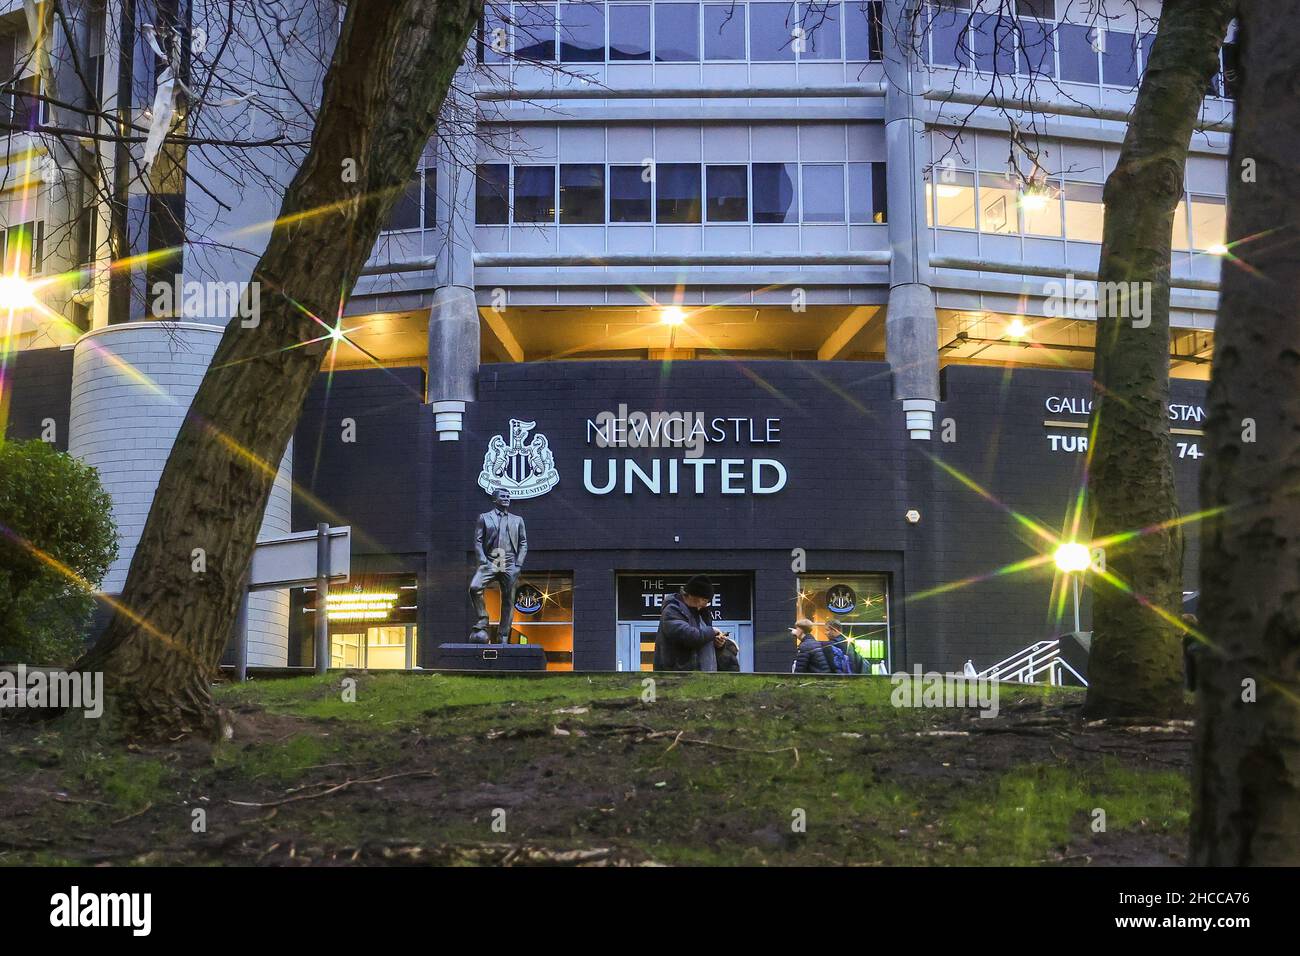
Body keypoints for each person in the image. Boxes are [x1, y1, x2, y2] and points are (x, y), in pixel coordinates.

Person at [468, 487, 528, 644]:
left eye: (508, 496)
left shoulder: (517, 520)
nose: (507, 498)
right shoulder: (484, 518)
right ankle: (483, 618)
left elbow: (523, 543)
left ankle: (503, 637)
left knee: (508, 599)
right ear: (495, 499)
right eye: (503, 496)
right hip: (491, 559)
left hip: (509, 561)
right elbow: (478, 540)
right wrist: (482, 561)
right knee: (474, 587)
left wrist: (518, 564)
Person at [653, 575, 726, 671]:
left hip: (704, 678)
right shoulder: (672, 610)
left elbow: (703, 641)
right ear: (692, 595)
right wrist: (712, 631)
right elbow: (688, 636)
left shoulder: (702, 614)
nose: (705, 604)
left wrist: (717, 644)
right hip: (678, 677)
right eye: (704, 600)